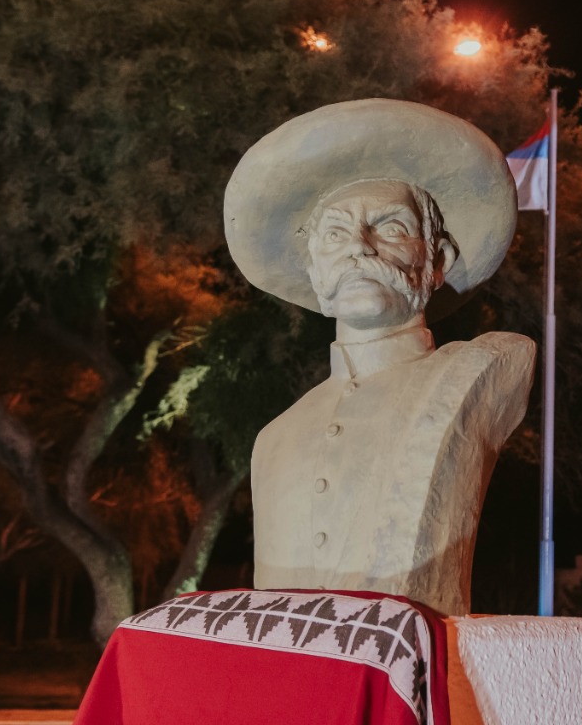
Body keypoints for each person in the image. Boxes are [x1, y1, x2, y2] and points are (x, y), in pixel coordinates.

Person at [224, 98, 536, 616]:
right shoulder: (275, 436)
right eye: (336, 233)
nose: (360, 248)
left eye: (390, 227)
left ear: (436, 261)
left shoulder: (486, 367)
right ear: (313, 269)